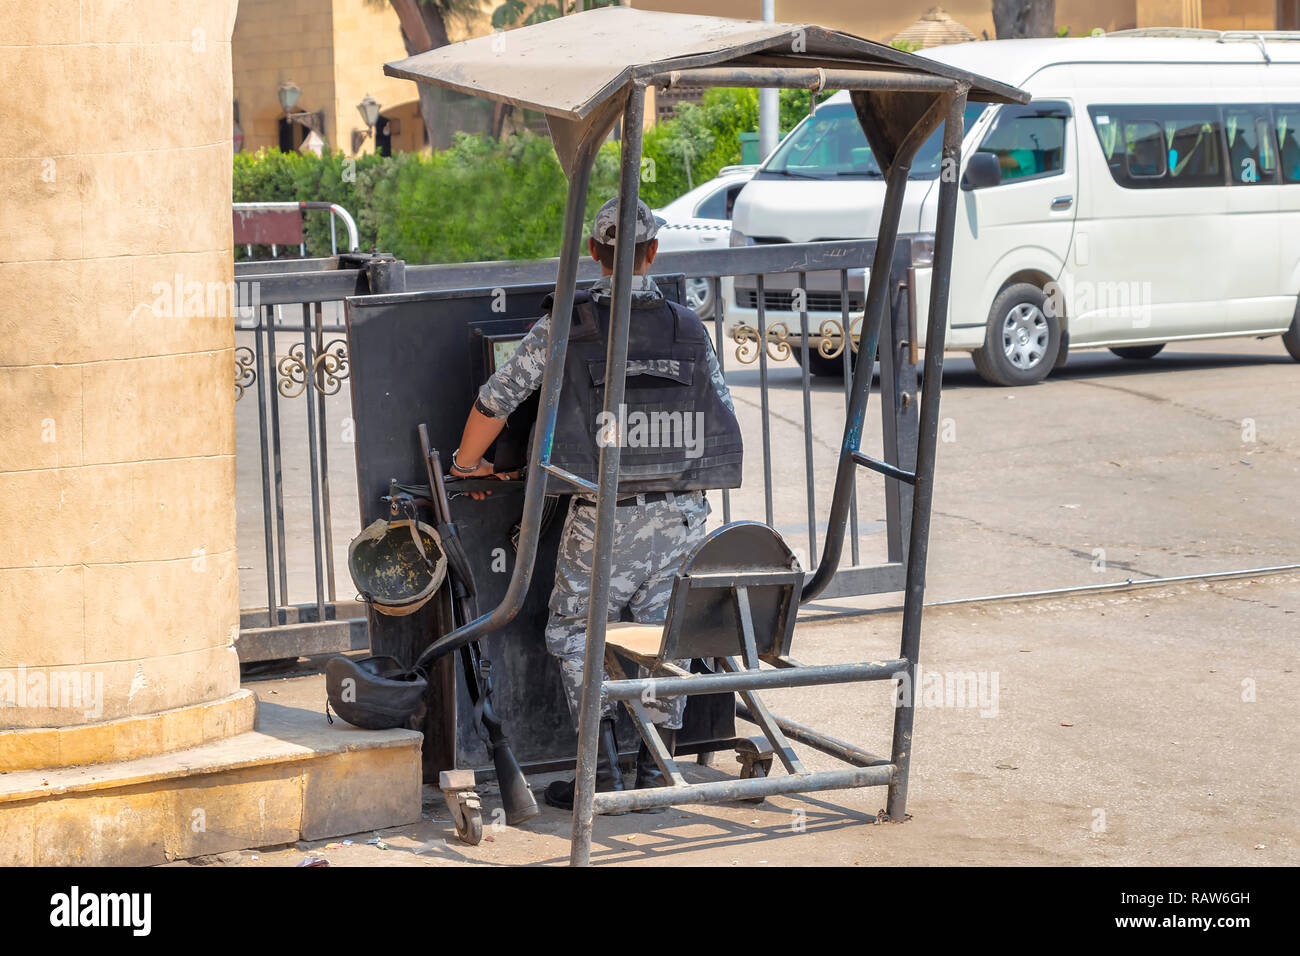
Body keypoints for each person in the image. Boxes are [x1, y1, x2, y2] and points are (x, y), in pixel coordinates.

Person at [448, 196, 742, 812]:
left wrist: (467, 465)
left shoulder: (568, 324)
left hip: (603, 520)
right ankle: (654, 766)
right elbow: (723, 415)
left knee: (578, 631)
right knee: (665, 635)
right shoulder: (688, 327)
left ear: (595, 255)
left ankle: (599, 770)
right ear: (654, 253)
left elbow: (496, 398)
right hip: (684, 517)